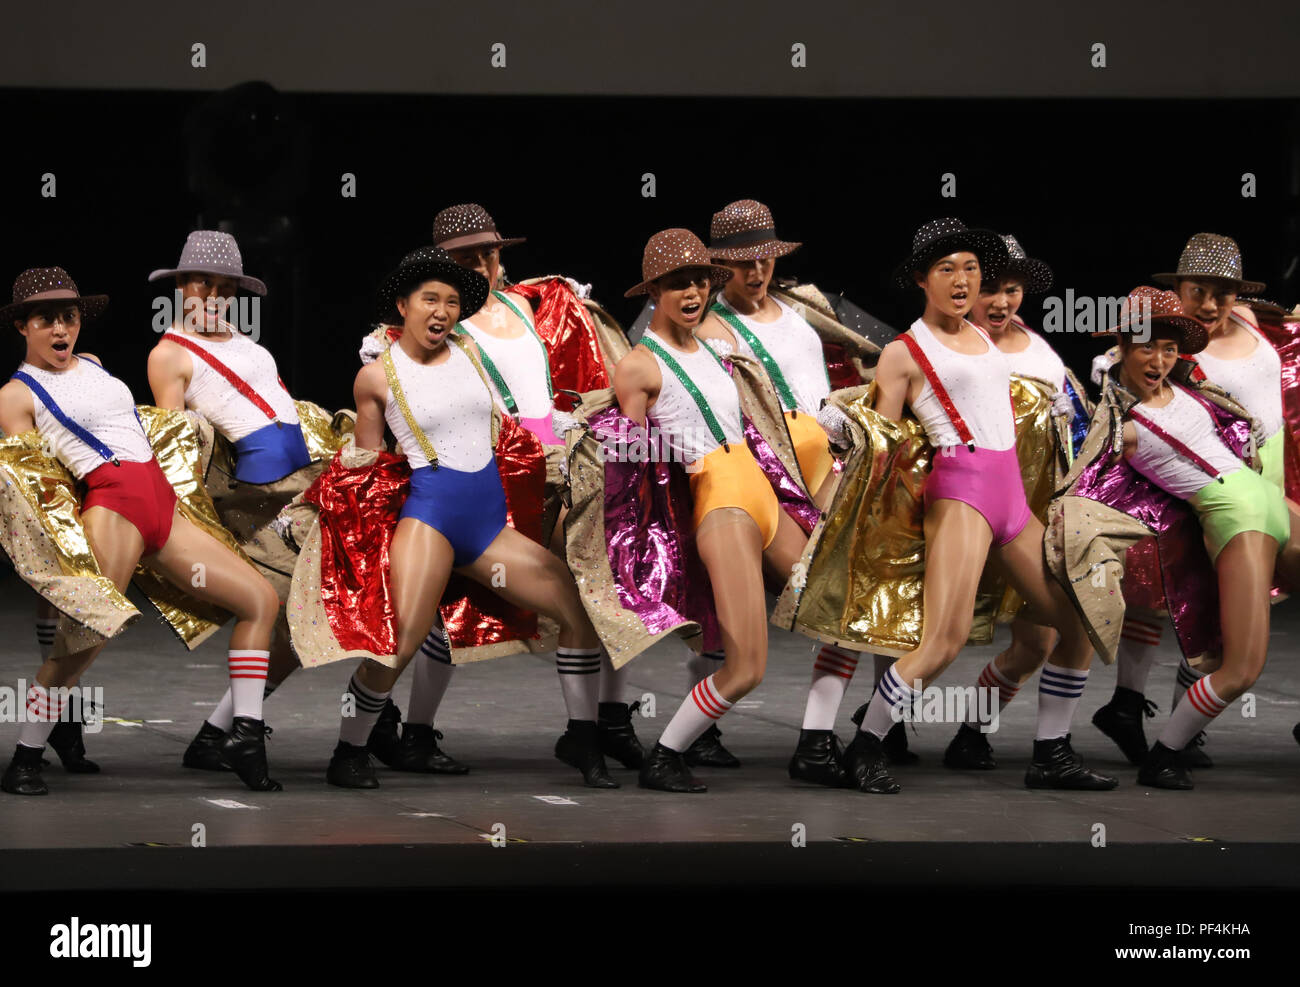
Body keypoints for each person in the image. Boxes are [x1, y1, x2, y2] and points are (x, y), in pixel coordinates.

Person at [307, 246, 617, 789]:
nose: (442, 311)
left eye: (452, 302)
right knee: (400, 643)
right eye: (430, 299)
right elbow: (367, 467)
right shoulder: (376, 377)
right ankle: (348, 750)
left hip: (488, 529)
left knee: (575, 608)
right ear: (403, 305)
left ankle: (582, 736)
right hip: (430, 523)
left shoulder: (471, 354)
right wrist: (329, 518)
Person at [836, 219, 1114, 794]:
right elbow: (883, 443)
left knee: (1077, 621)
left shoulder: (984, 335)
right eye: (947, 269)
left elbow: (1030, 380)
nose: (962, 280)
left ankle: (1051, 753)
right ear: (921, 279)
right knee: (944, 641)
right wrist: (843, 428)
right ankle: (866, 745)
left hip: (1012, 497)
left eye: (970, 269)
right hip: (962, 497)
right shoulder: (904, 351)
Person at [0, 267, 282, 795]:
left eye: (69, 317)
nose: (61, 329)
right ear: (22, 327)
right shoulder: (16, 394)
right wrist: (60, 557)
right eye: (46, 320)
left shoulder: (93, 363)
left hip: (162, 506)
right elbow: (37, 482)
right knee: (84, 639)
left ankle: (244, 736)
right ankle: (25, 757)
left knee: (260, 601)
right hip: (113, 507)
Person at [142, 231, 376, 773]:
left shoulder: (245, 343)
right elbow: (177, 450)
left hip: (306, 477)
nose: (214, 295)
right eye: (203, 283)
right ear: (180, 287)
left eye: (226, 287)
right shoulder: (169, 354)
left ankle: (218, 733)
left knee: (306, 620)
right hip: (266, 496)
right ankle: (360, 722)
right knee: (298, 610)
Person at [1050, 287, 1300, 789]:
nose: (1160, 360)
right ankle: (1164, 755)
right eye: (1147, 347)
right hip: (1239, 524)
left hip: (1275, 503)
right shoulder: (1122, 426)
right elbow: (1079, 474)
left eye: (1169, 349)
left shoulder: (1188, 389)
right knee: (1241, 669)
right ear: (1122, 347)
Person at [430, 204, 643, 771]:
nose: (480, 265)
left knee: (604, 584)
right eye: (465, 258)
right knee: (449, 604)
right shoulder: (439, 326)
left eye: (488, 253)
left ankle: (604, 723)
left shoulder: (525, 304)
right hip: (493, 474)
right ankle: (407, 729)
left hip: (561, 464)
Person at [614, 228, 815, 793]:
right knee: (746, 667)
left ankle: (823, 742)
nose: (694, 292)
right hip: (723, 507)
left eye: (701, 281)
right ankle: (665, 755)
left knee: (834, 609)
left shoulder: (714, 349)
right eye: (679, 283)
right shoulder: (638, 366)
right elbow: (627, 470)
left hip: (762, 494)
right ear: (654, 291)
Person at [939, 233, 1094, 771]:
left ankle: (984, 736)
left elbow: (1075, 431)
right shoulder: (950, 349)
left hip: (1035, 514)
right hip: (966, 506)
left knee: (1039, 642)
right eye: (992, 290)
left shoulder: (1037, 347)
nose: (1002, 302)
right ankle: (869, 732)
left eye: (1012, 290)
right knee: (923, 632)